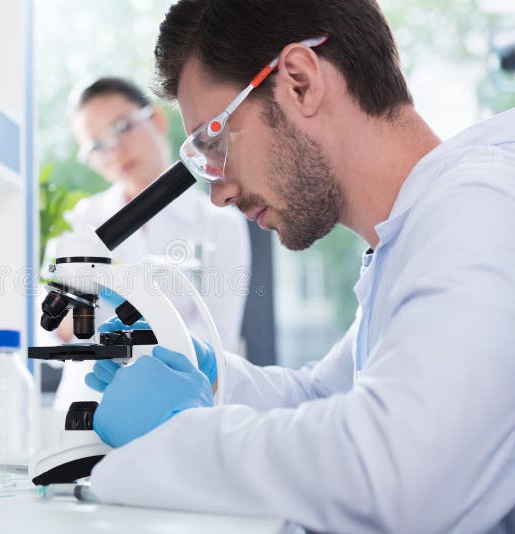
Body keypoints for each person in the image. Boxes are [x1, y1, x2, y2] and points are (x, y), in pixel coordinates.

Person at [83, 1, 515, 532]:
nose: (218, 193)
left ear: (299, 82)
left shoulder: (481, 206)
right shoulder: (410, 240)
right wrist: (210, 376)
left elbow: (392, 475)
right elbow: (323, 398)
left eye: (215, 143)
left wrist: (180, 430)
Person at [44, 77, 250, 412]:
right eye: (96, 146)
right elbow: (50, 332)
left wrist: (130, 344)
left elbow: (217, 337)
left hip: (173, 408)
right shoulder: (80, 224)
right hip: (87, 407)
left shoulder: (218, 221)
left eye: (122, 127)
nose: (114, 151)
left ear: (155, 118)